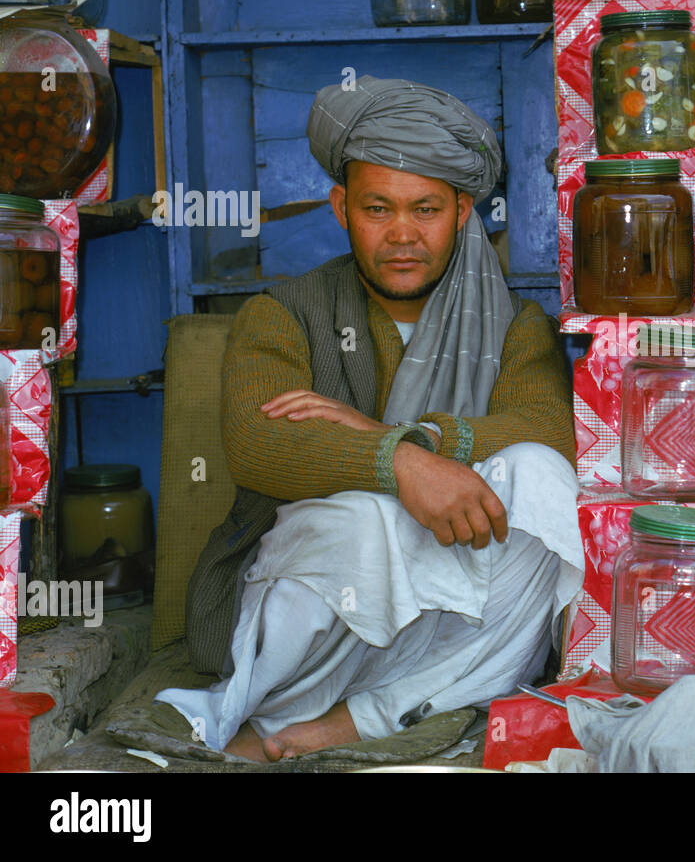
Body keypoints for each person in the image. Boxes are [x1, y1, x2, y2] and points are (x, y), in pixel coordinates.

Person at [155, 77, 583, 762]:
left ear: (463, 211)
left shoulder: (513, 326)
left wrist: (407, 439)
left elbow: (550, 430)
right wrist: (400, 465)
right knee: (362, 519)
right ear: (341, 207)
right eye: (378, 208)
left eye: (427, 209)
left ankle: (365, 718)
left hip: (450, 620)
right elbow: (259, 442)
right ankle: (277, 710)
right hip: (314, 623)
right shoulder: (284, 313)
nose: (403, 233)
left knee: (544, 475)